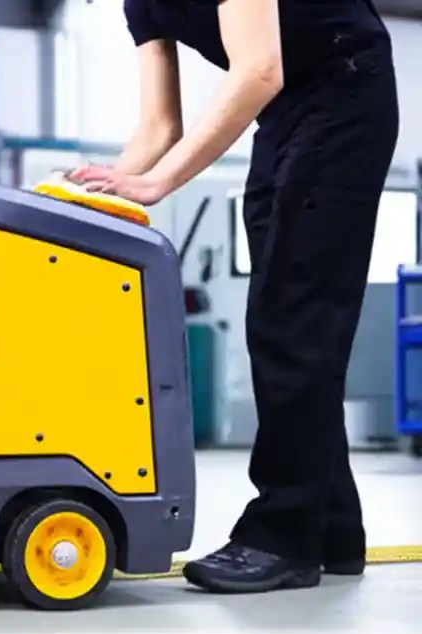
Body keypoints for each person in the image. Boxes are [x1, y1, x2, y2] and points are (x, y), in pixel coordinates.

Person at [71, 0, 399, 593]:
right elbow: (159, 127)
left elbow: (259, 69)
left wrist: (161, 181)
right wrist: (95, 198)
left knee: (292, 317)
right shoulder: (140, 5)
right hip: (282, 112)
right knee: (284, 317)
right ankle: (332, 532)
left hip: (347, 88)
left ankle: (282, 536)